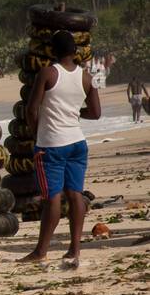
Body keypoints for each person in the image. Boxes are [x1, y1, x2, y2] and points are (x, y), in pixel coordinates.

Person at [20, 30, 101, 266]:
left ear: (53, 51)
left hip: (52, 145)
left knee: (52, 199)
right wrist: (73, 113)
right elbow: (95, 113)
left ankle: (40, 251)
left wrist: (37, 134)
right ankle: (74, 250)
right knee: (76, 195)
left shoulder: (48, 73)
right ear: (74, 51)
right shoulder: (86, 77)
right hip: (77, 142)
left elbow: (31, 110)